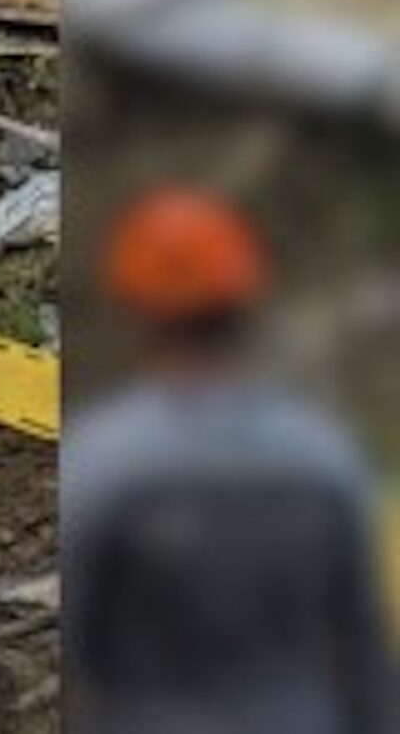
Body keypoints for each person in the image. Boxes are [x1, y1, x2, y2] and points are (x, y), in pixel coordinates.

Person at [65, 188, 389, 734]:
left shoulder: (101, 460)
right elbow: (365, 647)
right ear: (247, 306)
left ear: (132, 309)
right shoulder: (324, 453)